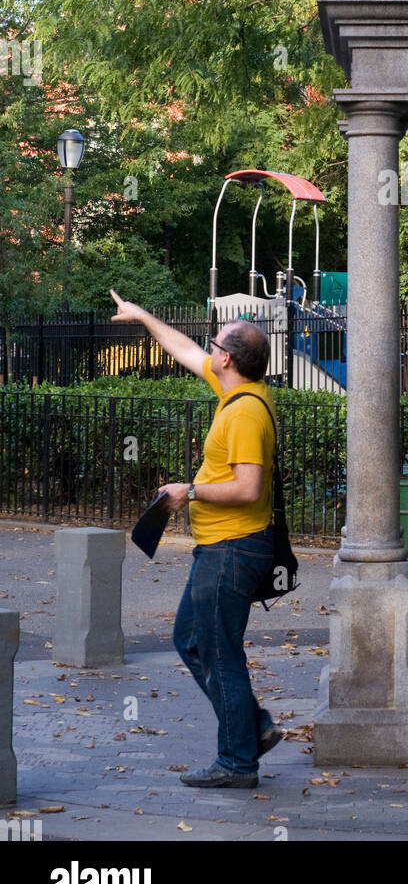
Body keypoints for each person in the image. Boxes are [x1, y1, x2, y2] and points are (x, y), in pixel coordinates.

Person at [110, 290, 282, 789]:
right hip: (223, 548)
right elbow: (184, 349)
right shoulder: (239, 391)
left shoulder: (245, 413)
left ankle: (237, 761)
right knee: (191, 639)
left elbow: (248, 488)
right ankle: (253, 728)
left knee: (219, 650)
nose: (208, 349)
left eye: (216, 345)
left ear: (226, 358)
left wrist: (190, 491)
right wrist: (143, 316)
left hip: (233, 549)